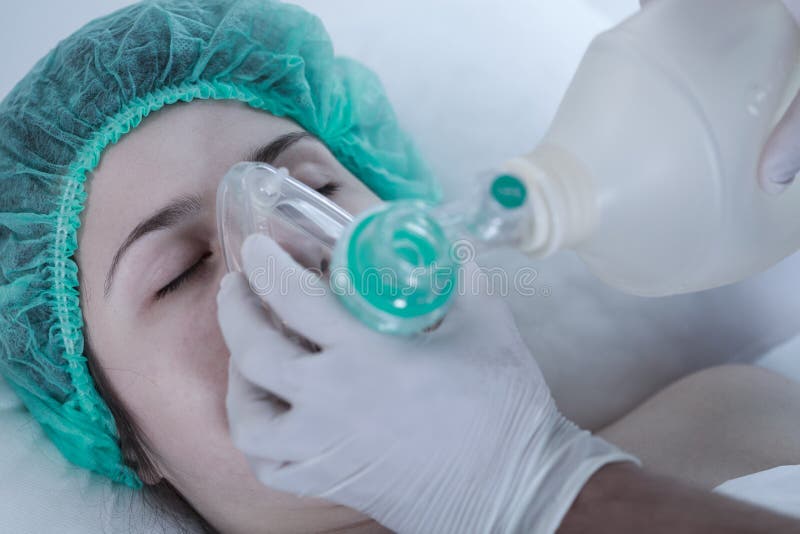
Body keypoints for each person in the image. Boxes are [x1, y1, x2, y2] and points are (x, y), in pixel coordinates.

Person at [1, 0, 800, 533]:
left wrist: (531, 484)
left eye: (312, 185)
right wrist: (517, 493)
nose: (284, 249)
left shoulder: (725, 415)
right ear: (123, 438)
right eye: (178, 269)